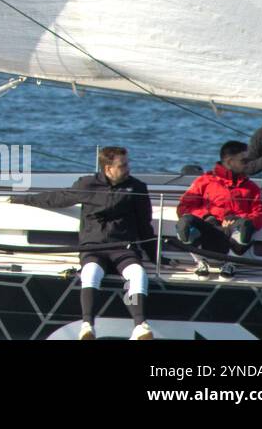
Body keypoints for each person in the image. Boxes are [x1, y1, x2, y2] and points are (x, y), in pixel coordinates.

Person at [10, 146, 156, 340]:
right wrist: (22, 199)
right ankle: (87, 325)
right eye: (123, 165)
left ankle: (140, 326)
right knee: (91, 273)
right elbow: (58, 198)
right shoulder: (88, 184)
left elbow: (144, 224)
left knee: (138, 274)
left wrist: (155, 256)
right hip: (93, 247)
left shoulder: (137, 188)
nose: (128, 168)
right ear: (107, 168)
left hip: (123, 248)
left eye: (127, 164)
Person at [175, 141, 262, 278]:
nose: (248, 163)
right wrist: (206, 216)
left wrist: (237, 219)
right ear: (229, 162)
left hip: (232, 231)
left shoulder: (251, 188)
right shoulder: (205, 181)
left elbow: (259, 214)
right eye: (244, 160)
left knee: (246, 225)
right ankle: (200, 261)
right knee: (184, 222)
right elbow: (184, 207)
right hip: (207, 228)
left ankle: (231, 262)